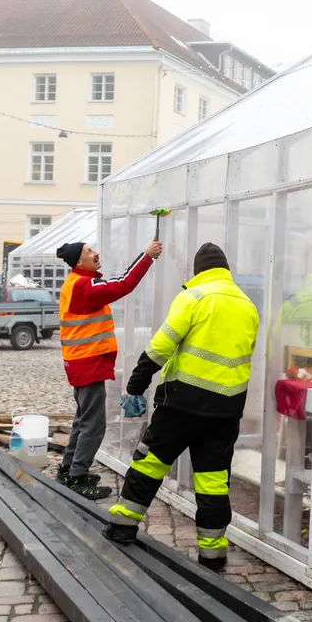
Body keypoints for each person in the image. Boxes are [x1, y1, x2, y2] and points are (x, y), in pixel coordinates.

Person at [104, 242, 259, 573]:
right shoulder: (248, 306)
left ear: (199, 271)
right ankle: (213, 554)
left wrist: (135, 385)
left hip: (182, 405)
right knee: (213, 482)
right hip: (226, 411)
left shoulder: (194, 297)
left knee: (150, 463)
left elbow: (162, 344)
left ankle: (122, 527)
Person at [55, 239, 162, 500]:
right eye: (89, 251)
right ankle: (78, 477)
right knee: (94, 425)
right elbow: (123, 284)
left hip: (80, 361)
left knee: (82, 419)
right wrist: (146, 255)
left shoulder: (75, 282)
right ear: (79, 262)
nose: (95, 252)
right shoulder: (83, 286)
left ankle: (68, 470)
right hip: (87, 361)